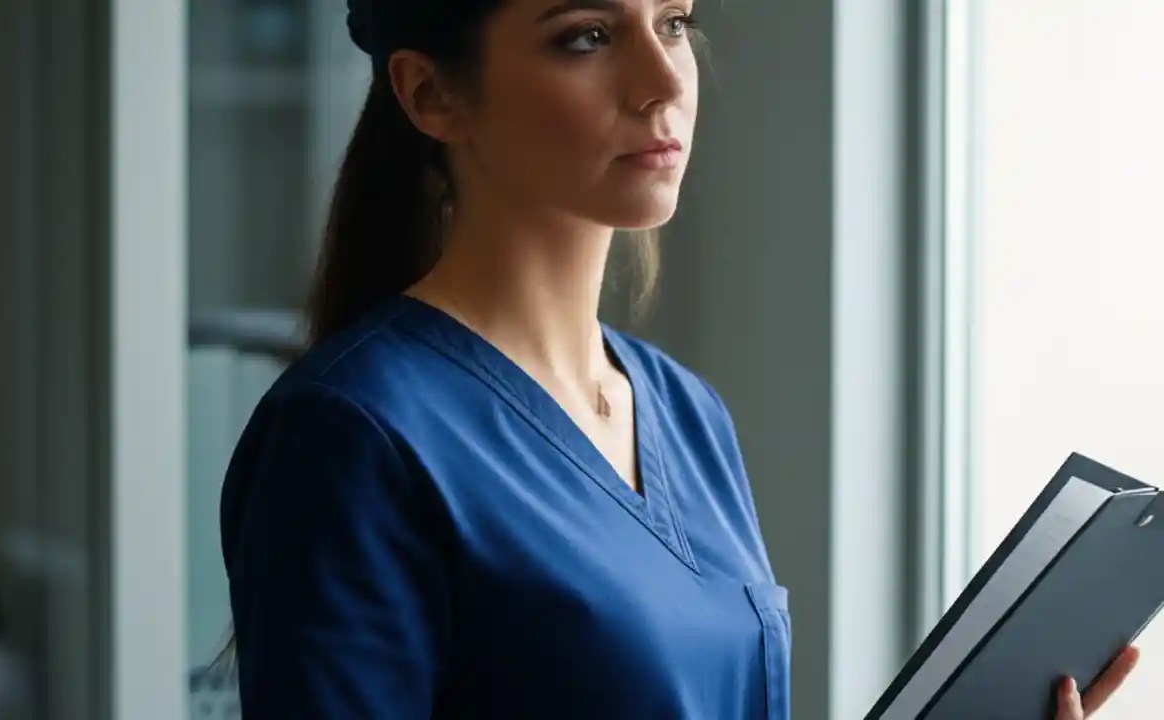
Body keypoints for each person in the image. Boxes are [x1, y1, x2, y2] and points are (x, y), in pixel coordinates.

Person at [217, 1, 1140, 717]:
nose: (663, 78)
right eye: (584, 37)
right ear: (430, 94)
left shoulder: (682, 411)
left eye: (674, 23)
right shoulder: (356, 436)